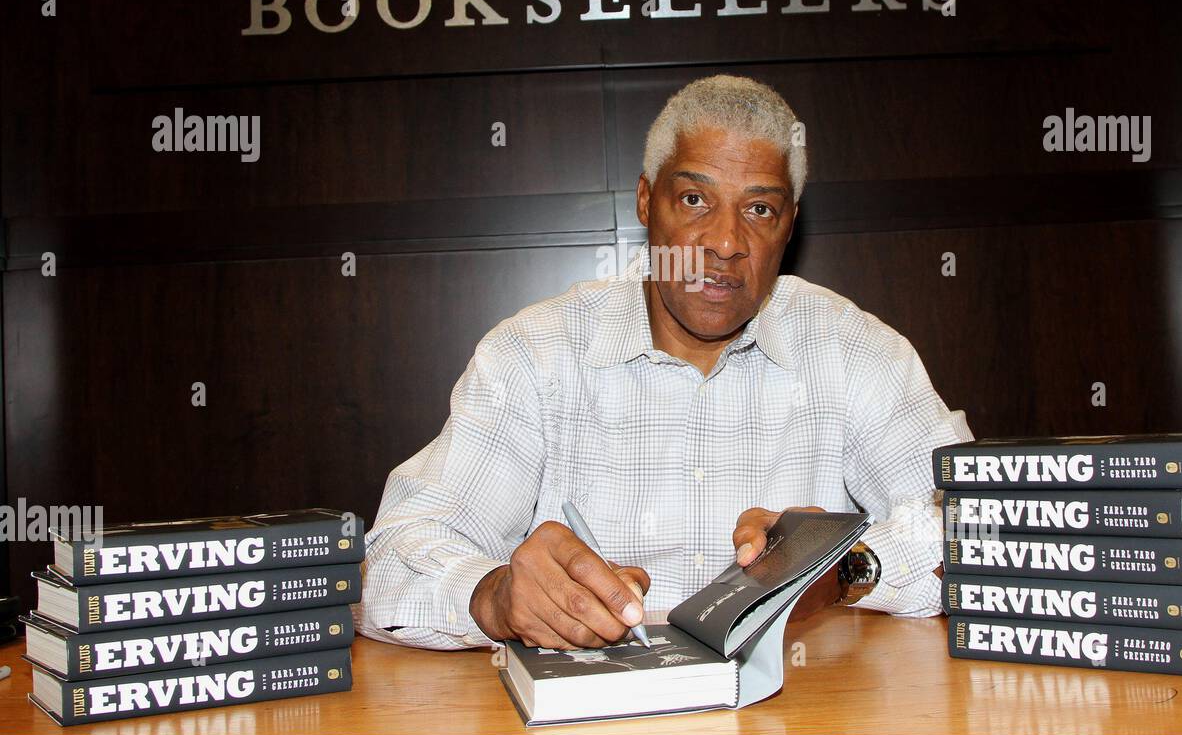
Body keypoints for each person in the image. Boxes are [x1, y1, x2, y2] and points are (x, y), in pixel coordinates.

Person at [356, 74, 972, 650]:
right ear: (647, 202)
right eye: (696, 199)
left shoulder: (856, 351)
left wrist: (849, 569)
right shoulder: (535, 355)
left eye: (760, 209)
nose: (727, 242)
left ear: (790, 225)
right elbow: (389, 562)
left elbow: (986, 528)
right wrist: (495, 596)